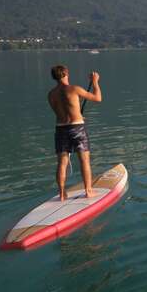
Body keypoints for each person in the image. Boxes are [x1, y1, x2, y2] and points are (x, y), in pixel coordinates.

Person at [47, 65, 101, 201]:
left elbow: (62, 111)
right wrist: (95, 82)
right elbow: (97, 98)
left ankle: (61, 194)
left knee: (62, 162)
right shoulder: (74, 89)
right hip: (77, 129)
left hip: (60, 129)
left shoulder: (51, 94)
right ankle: (88, 191)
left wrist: (76, 115)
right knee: (84, 160)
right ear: (65, 73)